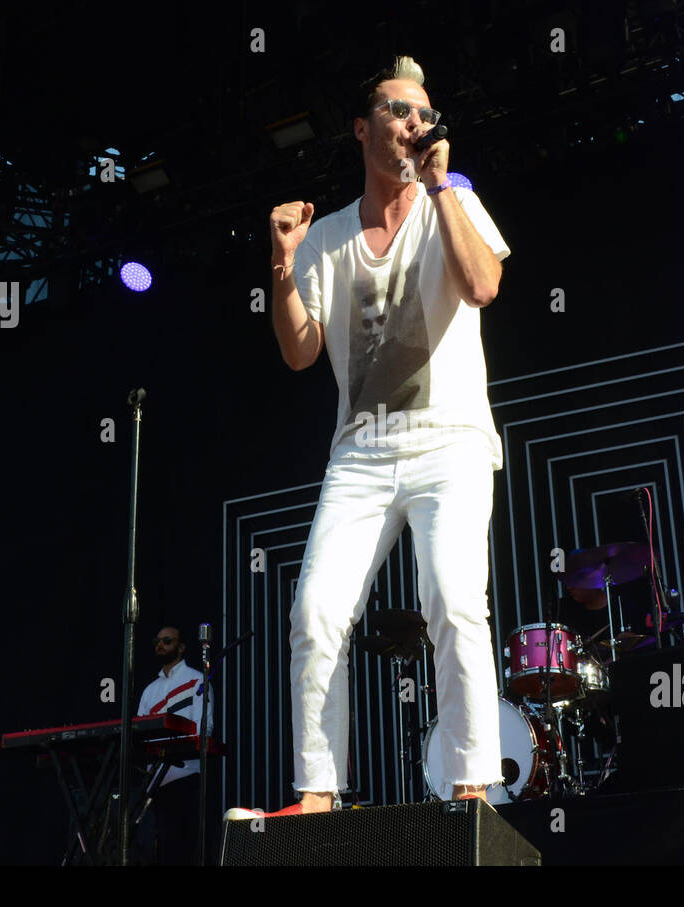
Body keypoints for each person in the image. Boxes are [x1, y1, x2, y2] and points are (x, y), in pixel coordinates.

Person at [228, 55, 509, 819]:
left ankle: (470, 786)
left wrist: (443, 184)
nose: (413, 125)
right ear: (363, 127)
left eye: (423, 114)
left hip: (449, 440)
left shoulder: (455, 199)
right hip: (360, 451)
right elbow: (298, 352)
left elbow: (483, 285)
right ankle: (318, 792)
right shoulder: (330, 237)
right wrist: (283, 266)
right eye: (397, 112)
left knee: (452, 598)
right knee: (315, 611)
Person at [138, 625, 212, 863]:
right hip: (155, 784)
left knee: (182, 850)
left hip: (185, 777)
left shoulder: (197, 680)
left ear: (181, 647)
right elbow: (139, 734)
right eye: (157, 641)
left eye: (167, 641)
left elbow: (205, 728)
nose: (160, 645)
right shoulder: (150, 690)